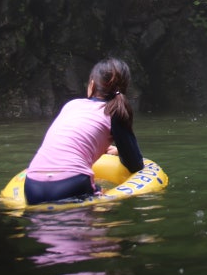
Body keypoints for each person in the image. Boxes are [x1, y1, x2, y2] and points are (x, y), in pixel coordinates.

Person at [23, 57, 145, 204]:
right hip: (71, 185)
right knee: (107, 209)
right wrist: (121, 151)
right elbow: (135, 164)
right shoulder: (114, 113)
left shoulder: (71, 105)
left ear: (92, 84)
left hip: (32, 186)